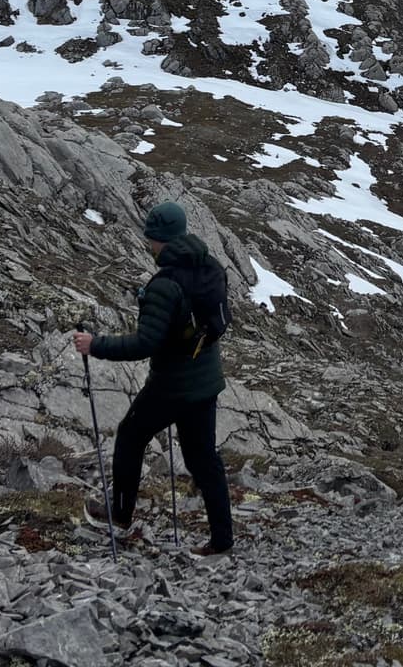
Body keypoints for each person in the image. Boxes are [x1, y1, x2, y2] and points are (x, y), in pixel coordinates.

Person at [72, 200, 234, 556]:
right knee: (203, 459)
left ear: (158, 238)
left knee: (130, 436)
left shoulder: (165, 284)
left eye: (150, 238)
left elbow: (145, 343)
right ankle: (223, 540)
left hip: (172, 385)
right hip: (206, 381)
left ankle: (119, 515)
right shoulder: (209, 266)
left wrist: (94, 345)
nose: (148, 244)